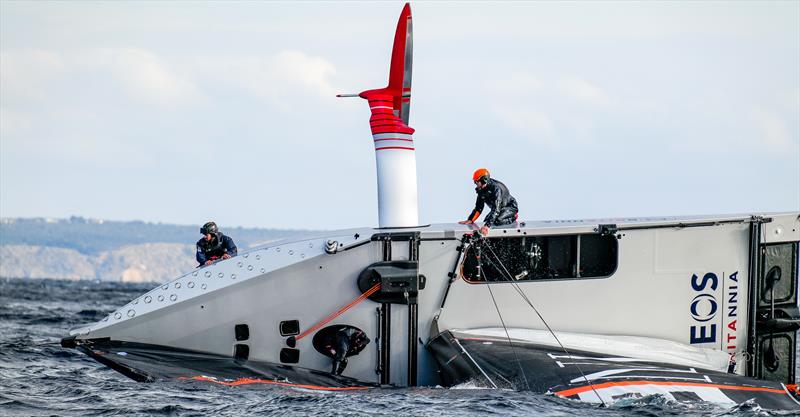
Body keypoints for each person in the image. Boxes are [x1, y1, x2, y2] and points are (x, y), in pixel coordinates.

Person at [458, 168, 519, 236]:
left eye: (476, 182)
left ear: (484, 180)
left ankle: (513, 216)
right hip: (499, 208)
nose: (475, 184)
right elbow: (479, 207)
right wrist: (470, 220)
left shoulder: (496, 189)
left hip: (509, 207)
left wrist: (486, 226)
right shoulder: (481, 189)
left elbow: (496, 209)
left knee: (498, 220)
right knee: (486, 220)